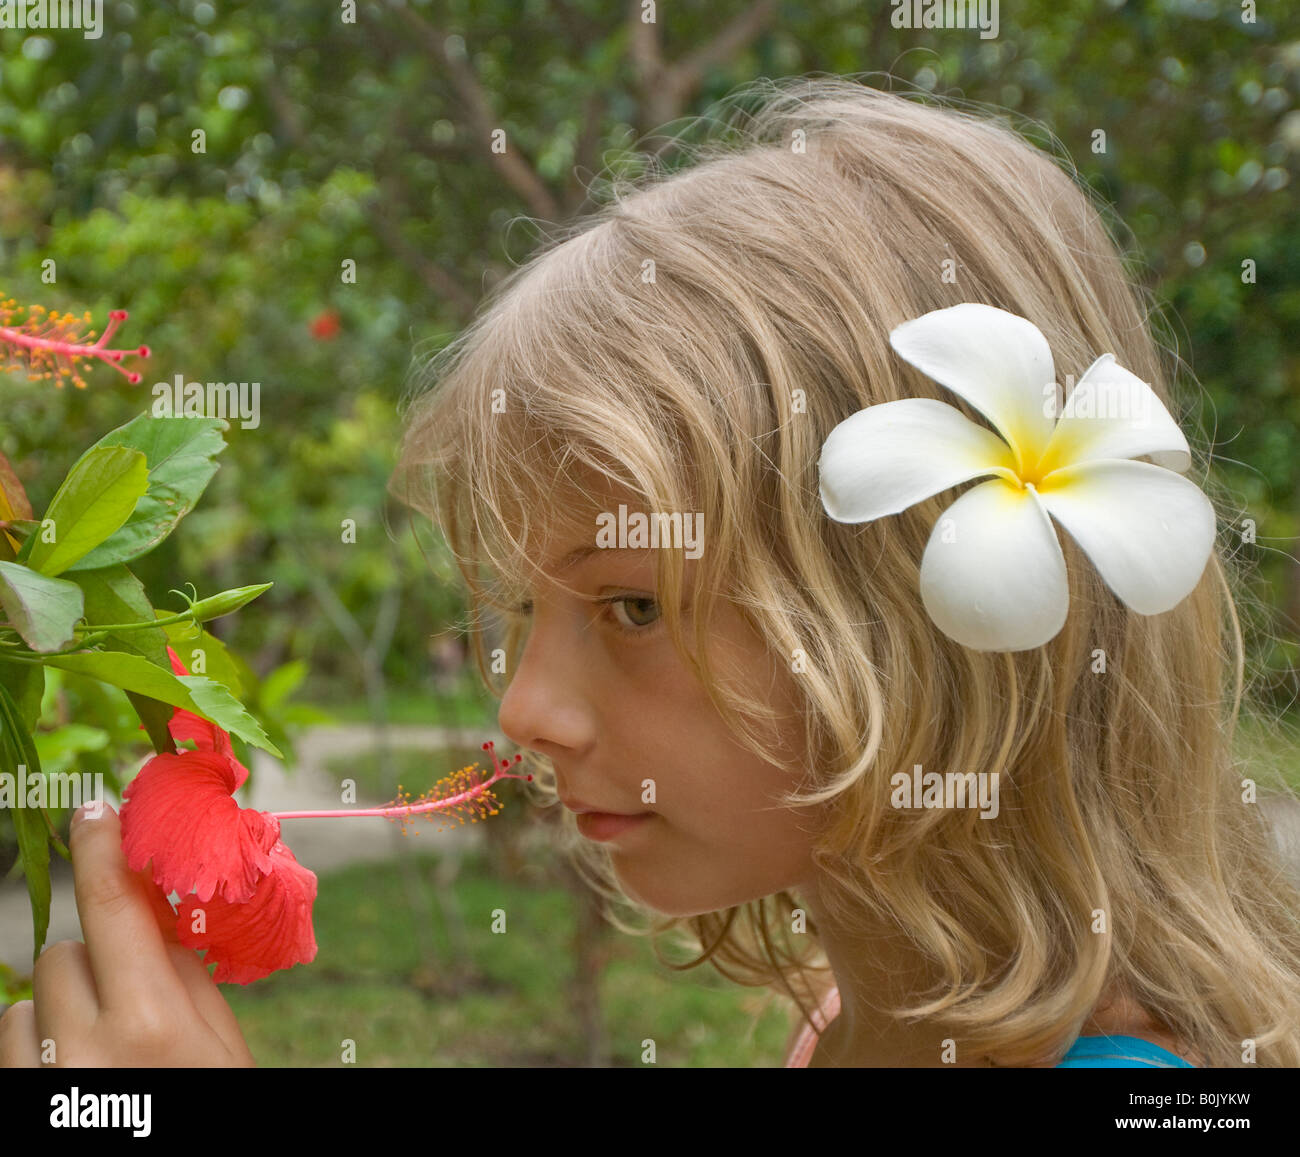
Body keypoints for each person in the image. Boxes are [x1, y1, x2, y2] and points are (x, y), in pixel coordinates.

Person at [4, 75, 1297, 1068]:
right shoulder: (866, 1021)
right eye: (522, 605)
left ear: (922, 623)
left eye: (631, 603)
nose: (524, 710)